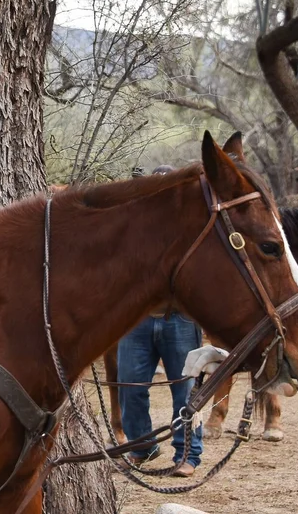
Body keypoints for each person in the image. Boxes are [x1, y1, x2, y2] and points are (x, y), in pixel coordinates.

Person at [116, 164, 203, 477]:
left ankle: (188, 454)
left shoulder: (191, 228)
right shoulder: (136, 227)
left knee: (185, 389)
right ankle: (142, 447)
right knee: (129, 384)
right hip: (137, 319)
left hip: (178, 319)